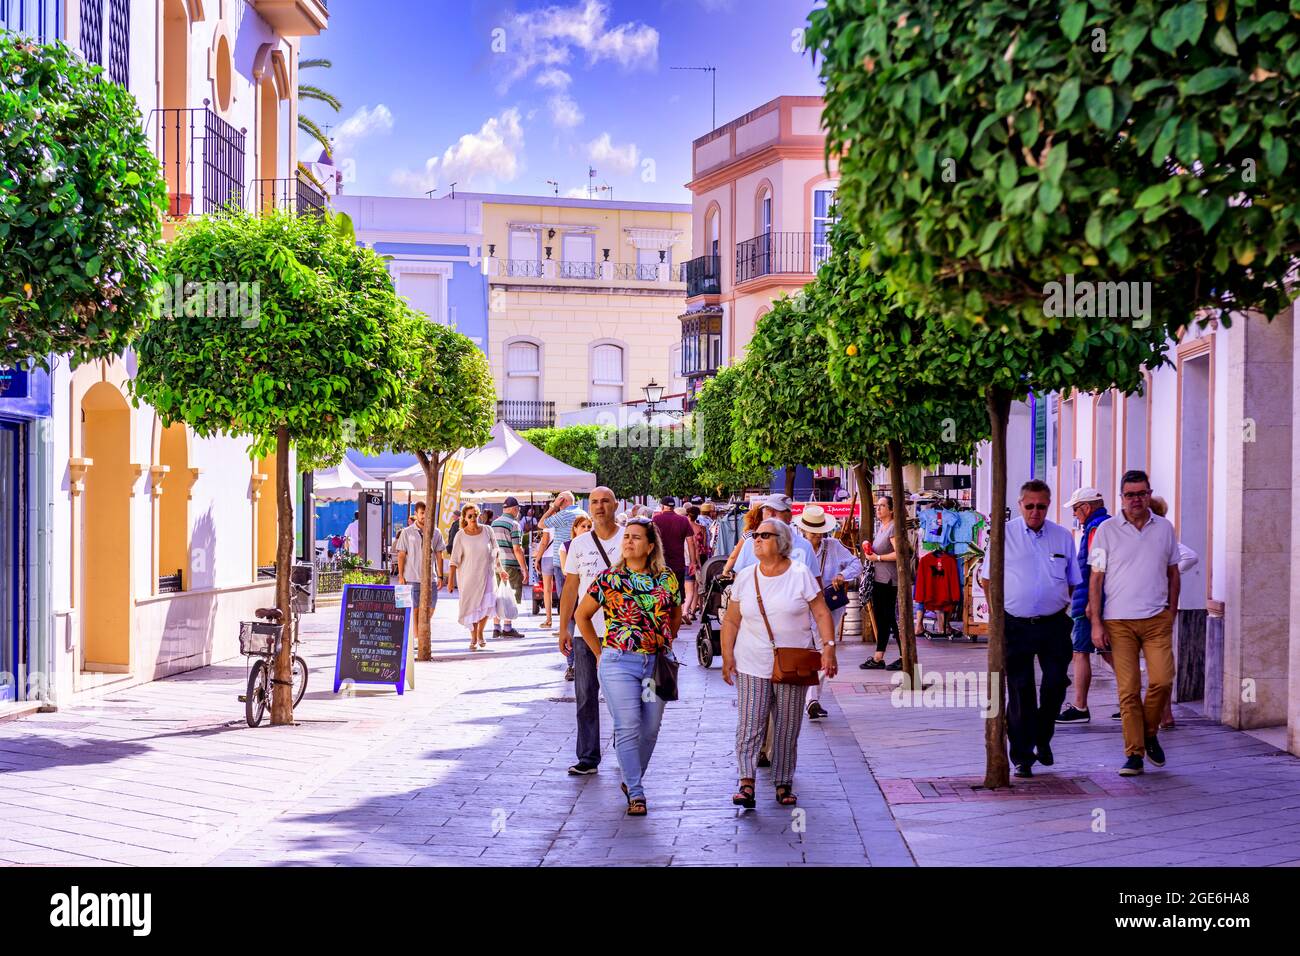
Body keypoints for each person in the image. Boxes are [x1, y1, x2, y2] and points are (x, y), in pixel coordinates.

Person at [721, 519, 837, 809]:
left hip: (793, 661)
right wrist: (727, 656)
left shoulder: (800, 574)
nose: (756, 540)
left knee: (787, 725)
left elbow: (822, 614)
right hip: (751, 662)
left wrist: (828, 649)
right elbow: (732, 620)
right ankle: (746, 782)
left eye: (764, 535)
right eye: (755, 536)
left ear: (782, 542)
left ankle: (783, 781)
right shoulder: (746, 576)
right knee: (750, 724)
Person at [574, 515, 681, 815]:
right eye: (626, 537)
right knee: (628, 725)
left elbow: (675, 612)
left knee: (649, 728)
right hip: (619, 663)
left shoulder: (666, 578)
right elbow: (581, 616)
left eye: (636, 537)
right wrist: (598, 653)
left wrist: (666, 639)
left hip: (654, 666)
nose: (629, 541)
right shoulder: (609, 578)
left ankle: (631, 776)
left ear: (649, 546)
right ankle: (636, 791)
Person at [982, 479, 1080, 778]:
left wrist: (1061, 607)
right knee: (1021, 690)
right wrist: (997, 619)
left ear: (1048, 506)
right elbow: (987, 579)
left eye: (1041, 506)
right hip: (1015, 624)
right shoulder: (1004, 535)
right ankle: (1022, 756)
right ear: (1021, 504)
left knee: (1055, 684)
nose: (1035, 512)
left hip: (1053, 625)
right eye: (1030, 506)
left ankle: (1043, 737)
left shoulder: (1062, 537)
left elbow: (1074, 580)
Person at [1089, 470, 1181, 776]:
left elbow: (1173, 573)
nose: (1136, 500)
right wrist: (1096, 622)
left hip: (1156, 619)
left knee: (1162, 680)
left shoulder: (1164, 529)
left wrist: (1172, 611)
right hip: (1119, 621)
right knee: (1128, 690)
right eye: (1130, 495)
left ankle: (1149, 731)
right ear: (1121, 498)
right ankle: (1134, 754)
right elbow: (1096, 577)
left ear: (1149, 494)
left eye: (1141, 494)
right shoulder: (1106, 530)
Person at [559, 488, 623, 777]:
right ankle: (587, 757)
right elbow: (571, 587)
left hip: (623, 632)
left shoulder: (630, 538)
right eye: (594, 502)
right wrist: (563, 627)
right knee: (585, 695)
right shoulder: (579, 544)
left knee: (623, 697)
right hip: (586, 631)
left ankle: (627, 754)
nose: (599, 507)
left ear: (615, 505)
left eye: (604, 501)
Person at [792, 504, 860, 720]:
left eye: (820, 532)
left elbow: (856, 563)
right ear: (804, 530)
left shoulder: (834, 545)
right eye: (813, 532)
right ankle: (808, 697)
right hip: (801, 607)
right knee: (810, 650)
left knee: (824, 650)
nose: (817, 537)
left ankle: (811, 699)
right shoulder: (796, 549)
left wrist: (843, 574)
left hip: (829, 606)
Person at [1057, 488, 1112, 724]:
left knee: (1080, 652)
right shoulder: (1109, 525)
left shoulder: (1095, 529)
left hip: (1089, 602)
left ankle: (1080, 706)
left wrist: (1091, 602)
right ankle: (1132, 700)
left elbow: (1095, 567)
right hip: (1100, 600)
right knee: (1110, 652)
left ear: (1087, 508)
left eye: (1076, 510)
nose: (1076, 516)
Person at [1147, 495, 1198, 731]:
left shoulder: (1163, 539)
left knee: (1157, 664)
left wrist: (1168, 575)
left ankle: (1163, 713)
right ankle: (1162, 712)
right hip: (1144, 608)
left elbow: (1189, 556)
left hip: (1156, 611)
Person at [860, 496, 903, 671]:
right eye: (877, 506)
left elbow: (899, 553)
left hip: (888, 579)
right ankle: (879, 656)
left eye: (882, 506)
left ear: (891, 510)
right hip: (879, 578)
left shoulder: (892, 527)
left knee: (891, 618)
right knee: (881, 618)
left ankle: (903, 655)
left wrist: (876, 557)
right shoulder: (882, 528)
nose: (878, 509)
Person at [449, 504, 497, 652]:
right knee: (471, 607)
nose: (473, 518)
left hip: (487, 573)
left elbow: (496, 551)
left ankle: (480, 632)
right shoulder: (460, 535)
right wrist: (450, 581)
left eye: (475, 515)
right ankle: (473, 636)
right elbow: (454, 560)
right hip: (468, 577)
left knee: (487, 604)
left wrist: (501, 570)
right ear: (465, 518)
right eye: (470, 516)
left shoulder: (488, 530)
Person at [395, 502, 446, 639]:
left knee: (431, 607)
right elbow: (401, 554)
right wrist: (400, 575)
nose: (424, 516)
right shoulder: (407, 532)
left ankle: (422, 632)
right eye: (422, 513)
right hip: (412, 577)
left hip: (431, 578)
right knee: (416, 609)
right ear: (416, 514)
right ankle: (419, 638)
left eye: (427, 512)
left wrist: (440, 576)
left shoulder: (436, 532)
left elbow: (439, 554)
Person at [731, 494, 816, 573]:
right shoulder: (750, 543)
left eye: (777, 510)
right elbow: (739, 577)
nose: (771, 514)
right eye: (767, 509)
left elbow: (814, 583)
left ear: (789, 517)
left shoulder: (804, 546)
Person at [652, 497, 697, 628]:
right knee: (676, 592)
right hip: (678, 563)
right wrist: (693, 562)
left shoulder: (656, 520)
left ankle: (663, 618)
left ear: (662, 506)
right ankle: (675, 621)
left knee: (660, 591)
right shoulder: (683, 520)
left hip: (659, 563)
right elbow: (691, 542)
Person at [490, 497, 527, 639]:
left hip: (496, 565)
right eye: (517, 509)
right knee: (510, 596)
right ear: (514, 509)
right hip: (510, 565)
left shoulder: (494, 523)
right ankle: (507, 627)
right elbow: (517, 549)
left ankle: (496, 627)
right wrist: (524, 568)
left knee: (497, 596)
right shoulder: (514, 524)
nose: (518, 512)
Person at [722, 504, 766, 574]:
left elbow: (734, 556)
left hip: (749, 572)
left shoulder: (749, 534)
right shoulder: (773, 534)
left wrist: (725, 570)